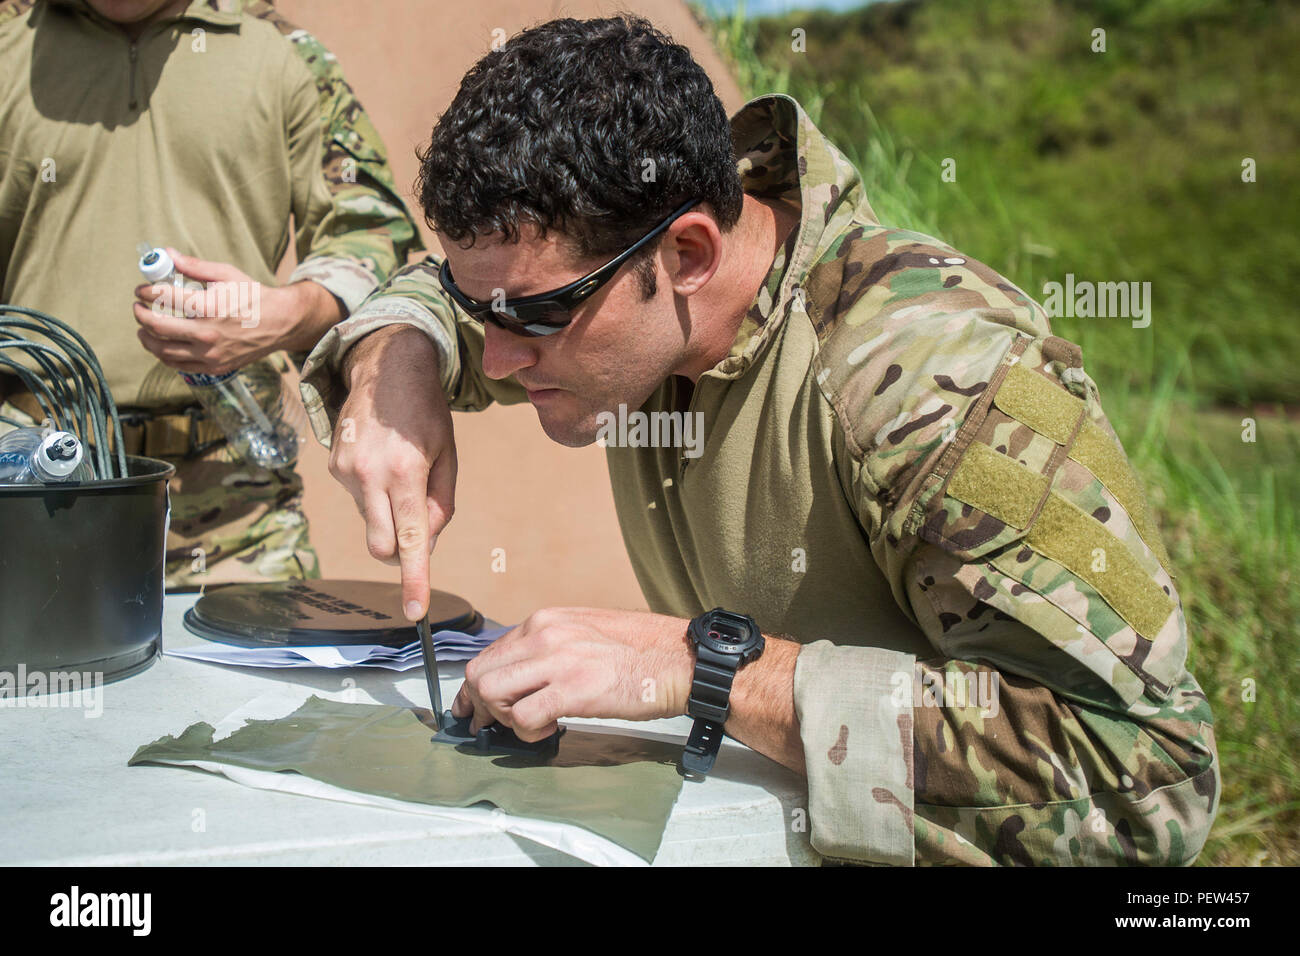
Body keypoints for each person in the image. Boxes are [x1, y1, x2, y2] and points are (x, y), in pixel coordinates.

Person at [298, 16, 1219, 865]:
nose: (496, 360)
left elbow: (1142, 777)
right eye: (476, 310)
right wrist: (399, 352)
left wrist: (704, 670)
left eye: (534, 317)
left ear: (689, 256)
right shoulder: (634, 268)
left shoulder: (935, 380)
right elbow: (468, 290)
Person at [0, 0, 422, 586]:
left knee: (263, 679)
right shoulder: (9, 40)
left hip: (237, 503)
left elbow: (369, 229)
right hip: (29, 486)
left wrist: (286, 313)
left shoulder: (280, 53)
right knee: (41, 681)